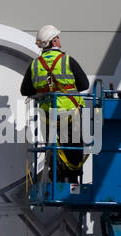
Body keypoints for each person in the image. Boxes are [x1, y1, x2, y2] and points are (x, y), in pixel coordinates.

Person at [21, 24, 90, 184]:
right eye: (57, 38)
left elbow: (25, 90)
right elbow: (84, 84)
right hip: (70, 114)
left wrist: (43, 88)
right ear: (53, 42)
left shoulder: (35, 65)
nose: (59, 40)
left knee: (53, 150)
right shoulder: (67, 60)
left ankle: (57, 180)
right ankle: (72, 184)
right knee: (73, 151)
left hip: (47, 116)